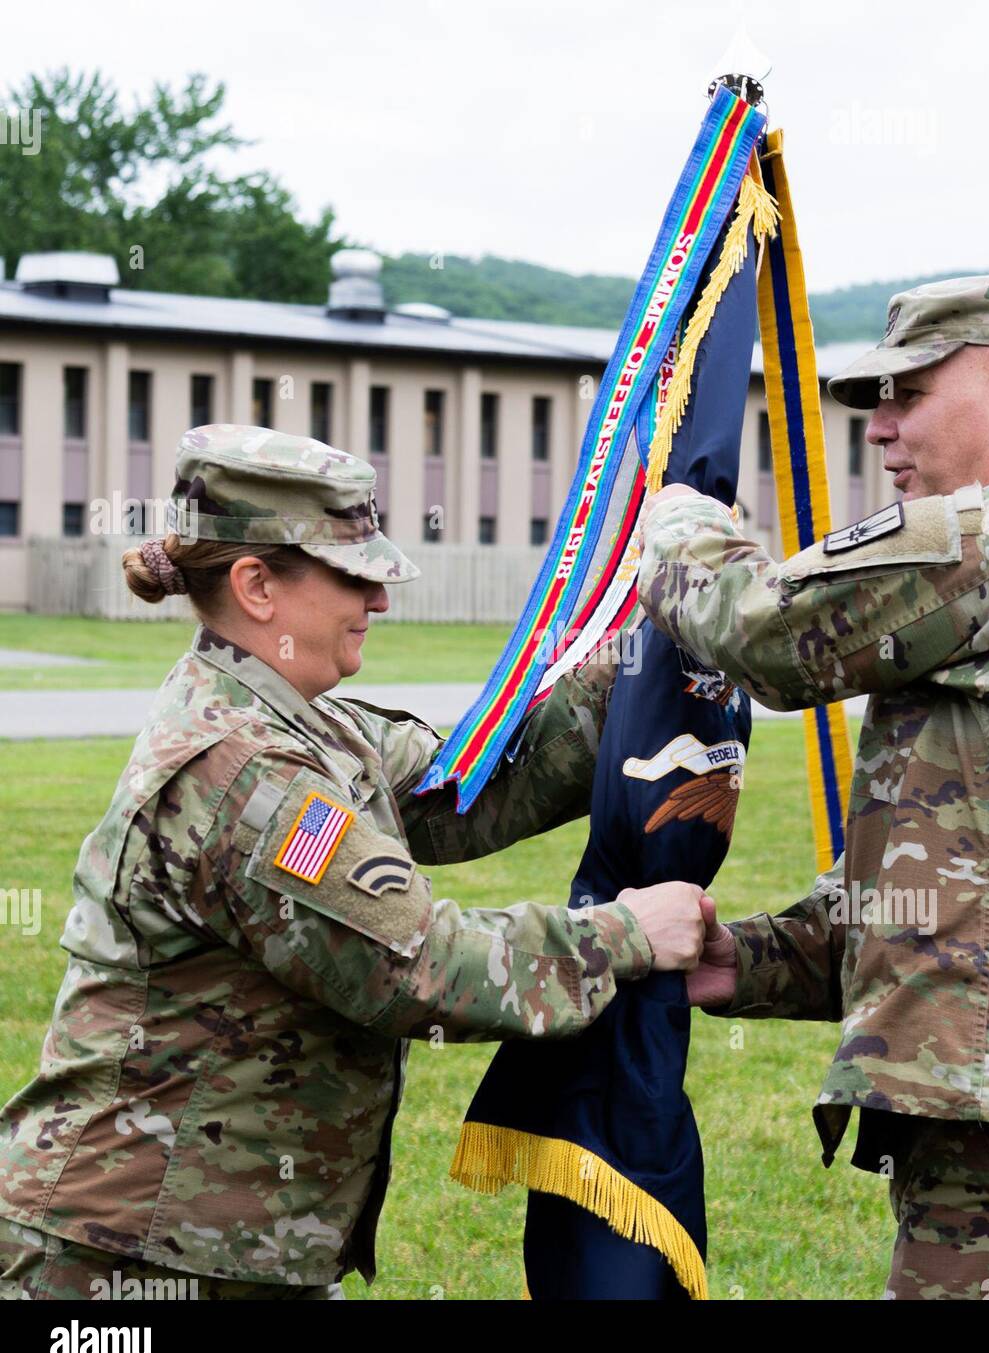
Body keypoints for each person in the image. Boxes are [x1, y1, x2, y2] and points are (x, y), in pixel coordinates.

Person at [0, 423, 713, 1302]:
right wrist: (625, 937)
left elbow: (475, 793)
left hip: (228, 1243)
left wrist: (633, 672)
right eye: (353, 575)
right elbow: (419, 969)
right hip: (133, 1255)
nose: (377, 601)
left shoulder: (310, 724)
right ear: (256, 584)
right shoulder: (245, 769)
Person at [636, 267, 989, 1300]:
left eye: (907, 394)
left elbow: (760, 628)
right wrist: (749, 959)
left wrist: (667, 514)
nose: (879, 429)